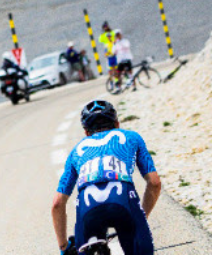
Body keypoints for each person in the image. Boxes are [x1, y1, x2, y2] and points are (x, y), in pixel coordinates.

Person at [52, 100, 162, 255]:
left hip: (87, 208)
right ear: (117, 124)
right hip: (123, 200)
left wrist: (63, 248)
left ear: (86, 132)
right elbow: (155, 182)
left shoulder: (76, 151)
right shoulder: (132, 137)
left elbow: (57, 203)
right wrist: (141, 216)